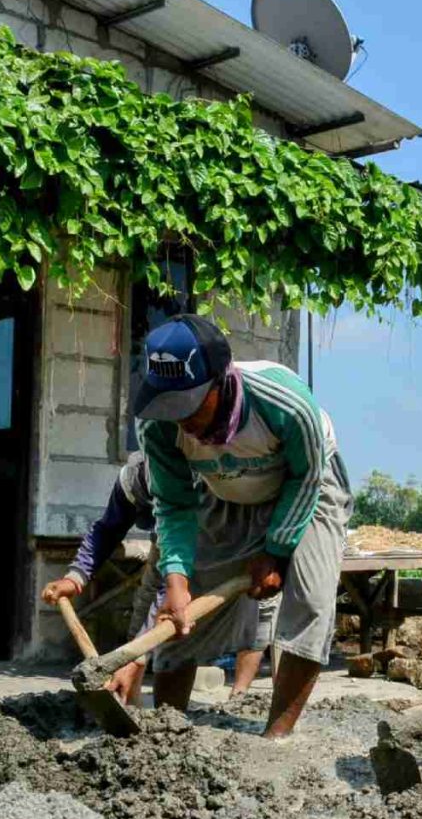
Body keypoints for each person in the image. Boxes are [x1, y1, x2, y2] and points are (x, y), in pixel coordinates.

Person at [134, 313, 352, 738]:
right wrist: (176, 576)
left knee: (311, 596)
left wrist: (276, 550)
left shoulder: (285, 403)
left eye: (190, 406)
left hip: (306, 485)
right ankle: (165, 732)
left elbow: (305, 477)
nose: (183, 421)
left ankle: (276, 738)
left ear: (221, 380)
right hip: (225, 489)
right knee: (183, 605)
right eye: (170, 407)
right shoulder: (158, 427)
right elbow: (174, 504)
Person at [40, 453, 274, 703]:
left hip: (227, 543)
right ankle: (132, 708)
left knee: (186, 626)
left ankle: (238, 698)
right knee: (145, 618)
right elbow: (108, 529)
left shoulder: (203, 482)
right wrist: (75, 577)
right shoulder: (134, 478)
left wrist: (138, 654)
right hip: (166, 541)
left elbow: (174, 584)